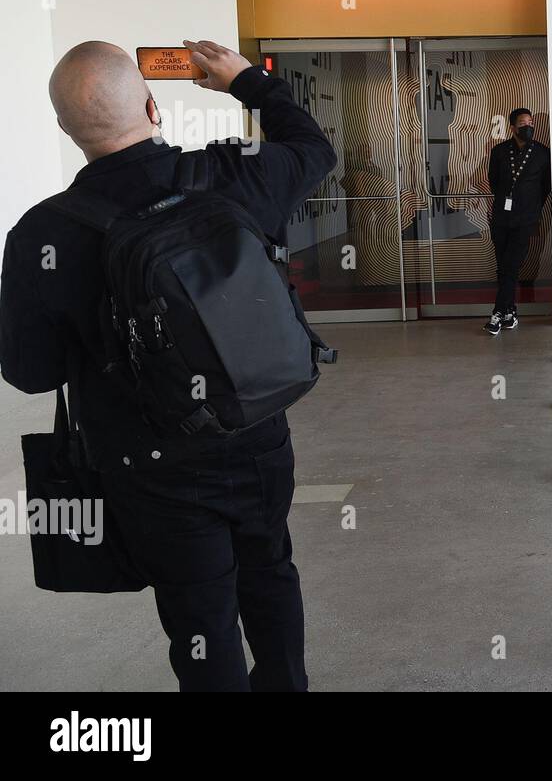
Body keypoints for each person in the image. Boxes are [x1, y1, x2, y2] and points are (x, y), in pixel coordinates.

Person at [0, 39, 336, 690]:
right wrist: (249, 84)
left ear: (67, 130)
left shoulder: (42, 233)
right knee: (270, 572)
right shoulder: (234, 175)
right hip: (254, 430)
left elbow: (30, 372)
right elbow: (315, 150)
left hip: (147, 464)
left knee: (199, 615)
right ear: (153, 105)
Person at [485, 107, 551, 335]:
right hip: (502, 217)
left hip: (526, 219)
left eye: (530, 123)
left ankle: (497, 313)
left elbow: (545, 188)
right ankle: (510, 312)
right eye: (523, 124)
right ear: (512, 128)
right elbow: (494, 182)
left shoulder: (542, 153)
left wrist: (531, 209)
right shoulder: (499, 151)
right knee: (503, 266)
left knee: (512, 265)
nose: (528, 127)